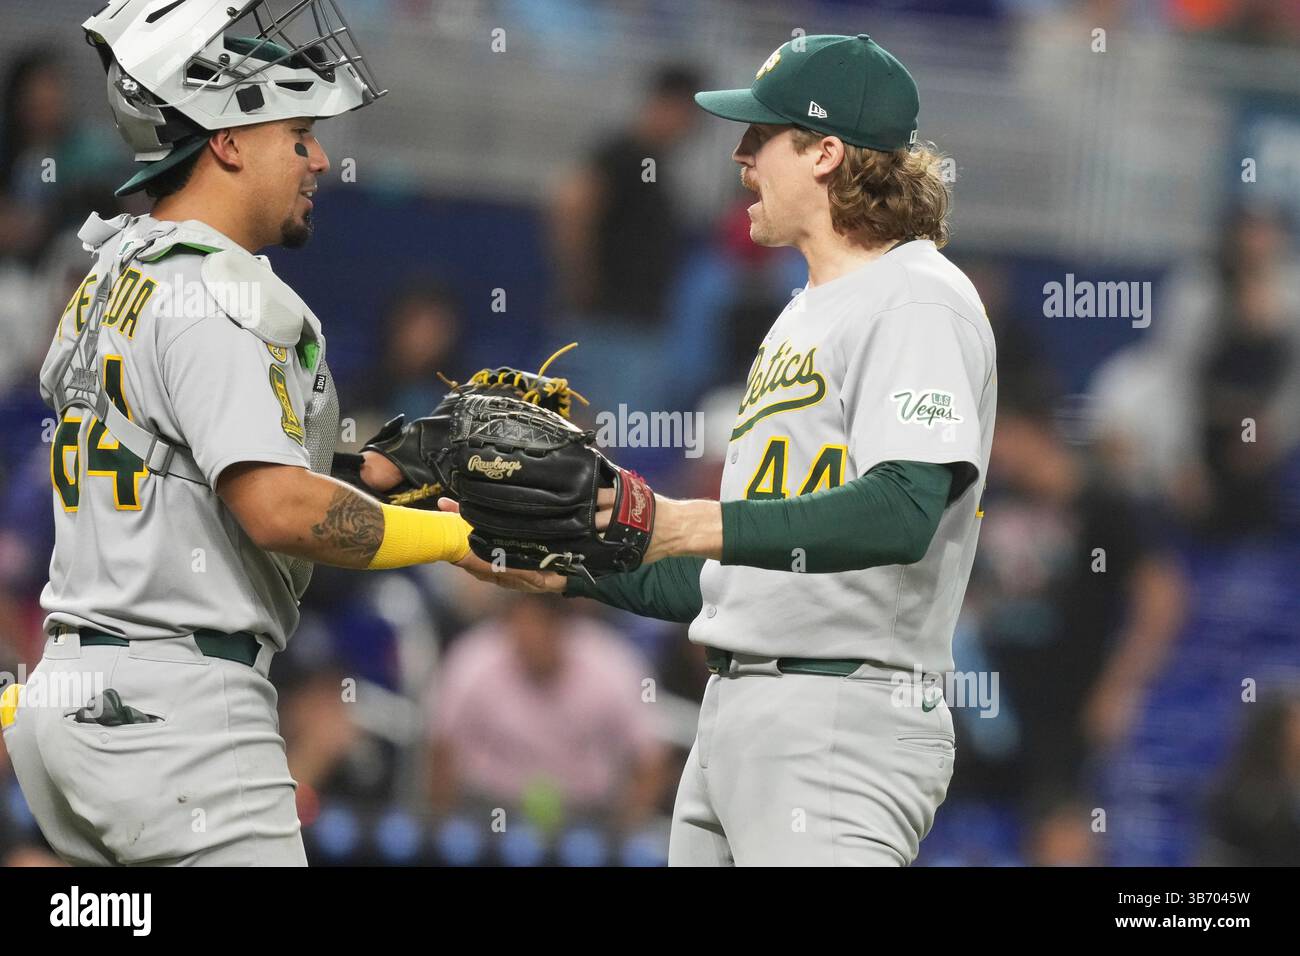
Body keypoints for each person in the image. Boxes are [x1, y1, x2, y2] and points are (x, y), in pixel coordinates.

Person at [449, 34, 998, 866]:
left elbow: (904, 509)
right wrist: (566, 563)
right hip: (738, 709)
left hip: (840, 719)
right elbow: (726, 574)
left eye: (761, 135)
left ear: (826, 153)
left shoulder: (918, 296)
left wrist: (681, 520)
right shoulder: (801, 312)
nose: (740, 154)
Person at [0, 0, 474, 867]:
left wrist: (367, 472)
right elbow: (277, 510)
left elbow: (181, 451)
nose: (321, 159)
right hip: (177, 713)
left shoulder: (112, 269)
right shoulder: (220, 290)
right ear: (225, 141)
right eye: (298, 135)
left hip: (68, 698)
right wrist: (452, 537)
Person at [427, 593, 668, 831]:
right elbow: (441, 747)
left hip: (587, 818)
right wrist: (440, 829)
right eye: (521, 626)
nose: (531, 638)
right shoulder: (472, 659)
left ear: (562, 626)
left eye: (541, 625)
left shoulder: (614, 665)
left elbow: (651, 759)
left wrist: (621, 836)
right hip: (487, 812)